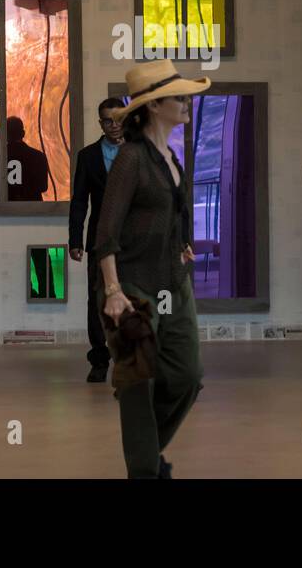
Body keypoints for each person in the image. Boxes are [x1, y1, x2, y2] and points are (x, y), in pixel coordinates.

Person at [93, 60, 209, 478]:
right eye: (179, 97)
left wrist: (180, 248)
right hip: (131, 288)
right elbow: (105, 231)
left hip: (174, 283)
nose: (187, 104)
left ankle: (145, 452)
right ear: (155, 105)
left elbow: (169, 216)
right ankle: (145, 470)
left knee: (187, 376)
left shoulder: (172, 158)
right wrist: (112, 292)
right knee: (138, 385)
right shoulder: (131, 158)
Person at [68, 97, 124, 383]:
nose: (114, 126)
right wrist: (75, 239)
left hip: (133, 239)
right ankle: (100, 359)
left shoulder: (141, 151)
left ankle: (132, 357)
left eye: (118, 119)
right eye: (107, 120)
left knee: (136, 297)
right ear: (100, 123)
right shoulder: (88, 156)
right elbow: (79, 201)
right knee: (97, 299)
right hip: (100, 239)